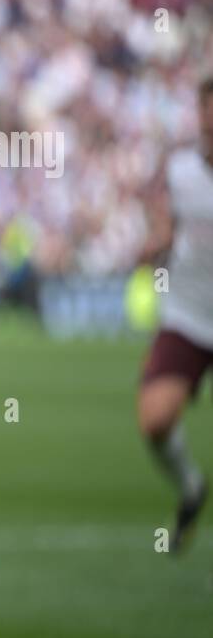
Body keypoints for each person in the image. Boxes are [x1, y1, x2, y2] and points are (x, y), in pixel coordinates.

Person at [137, 76, 213, 552]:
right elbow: (166, 226)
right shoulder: (181, 169)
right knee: (155, 418)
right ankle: (191, 485)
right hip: (188, 313)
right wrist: (155, 246)